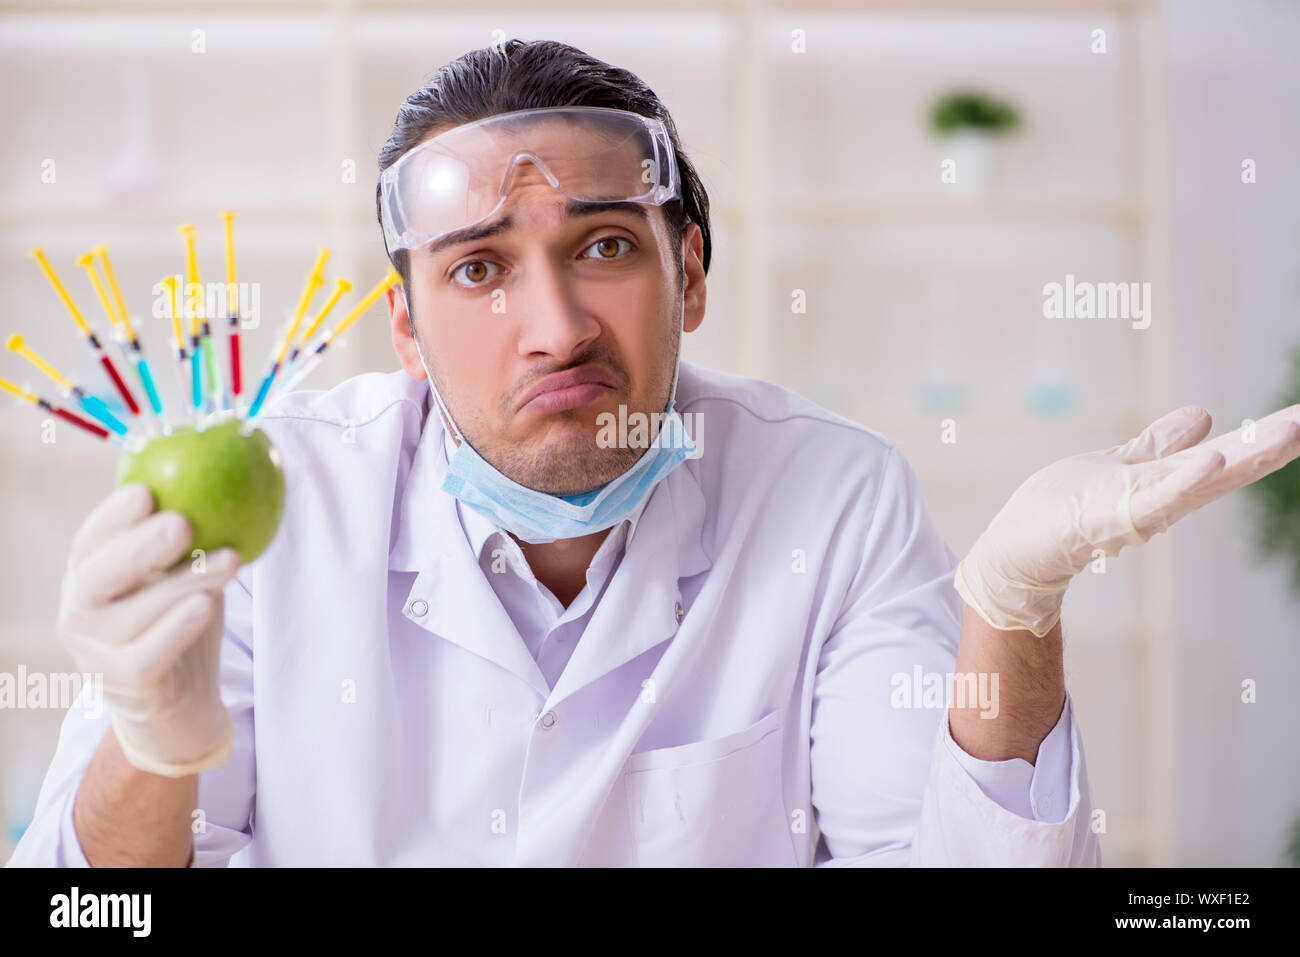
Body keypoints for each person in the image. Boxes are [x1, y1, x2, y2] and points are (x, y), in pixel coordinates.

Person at [9, 40, 1300, 868]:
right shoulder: (280, 512)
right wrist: (152, 740)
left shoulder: (831, 499)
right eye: (477, 270)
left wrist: (1008, 615)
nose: (556, 325)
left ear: (690, 269)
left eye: (607, 246)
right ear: (403, 326)